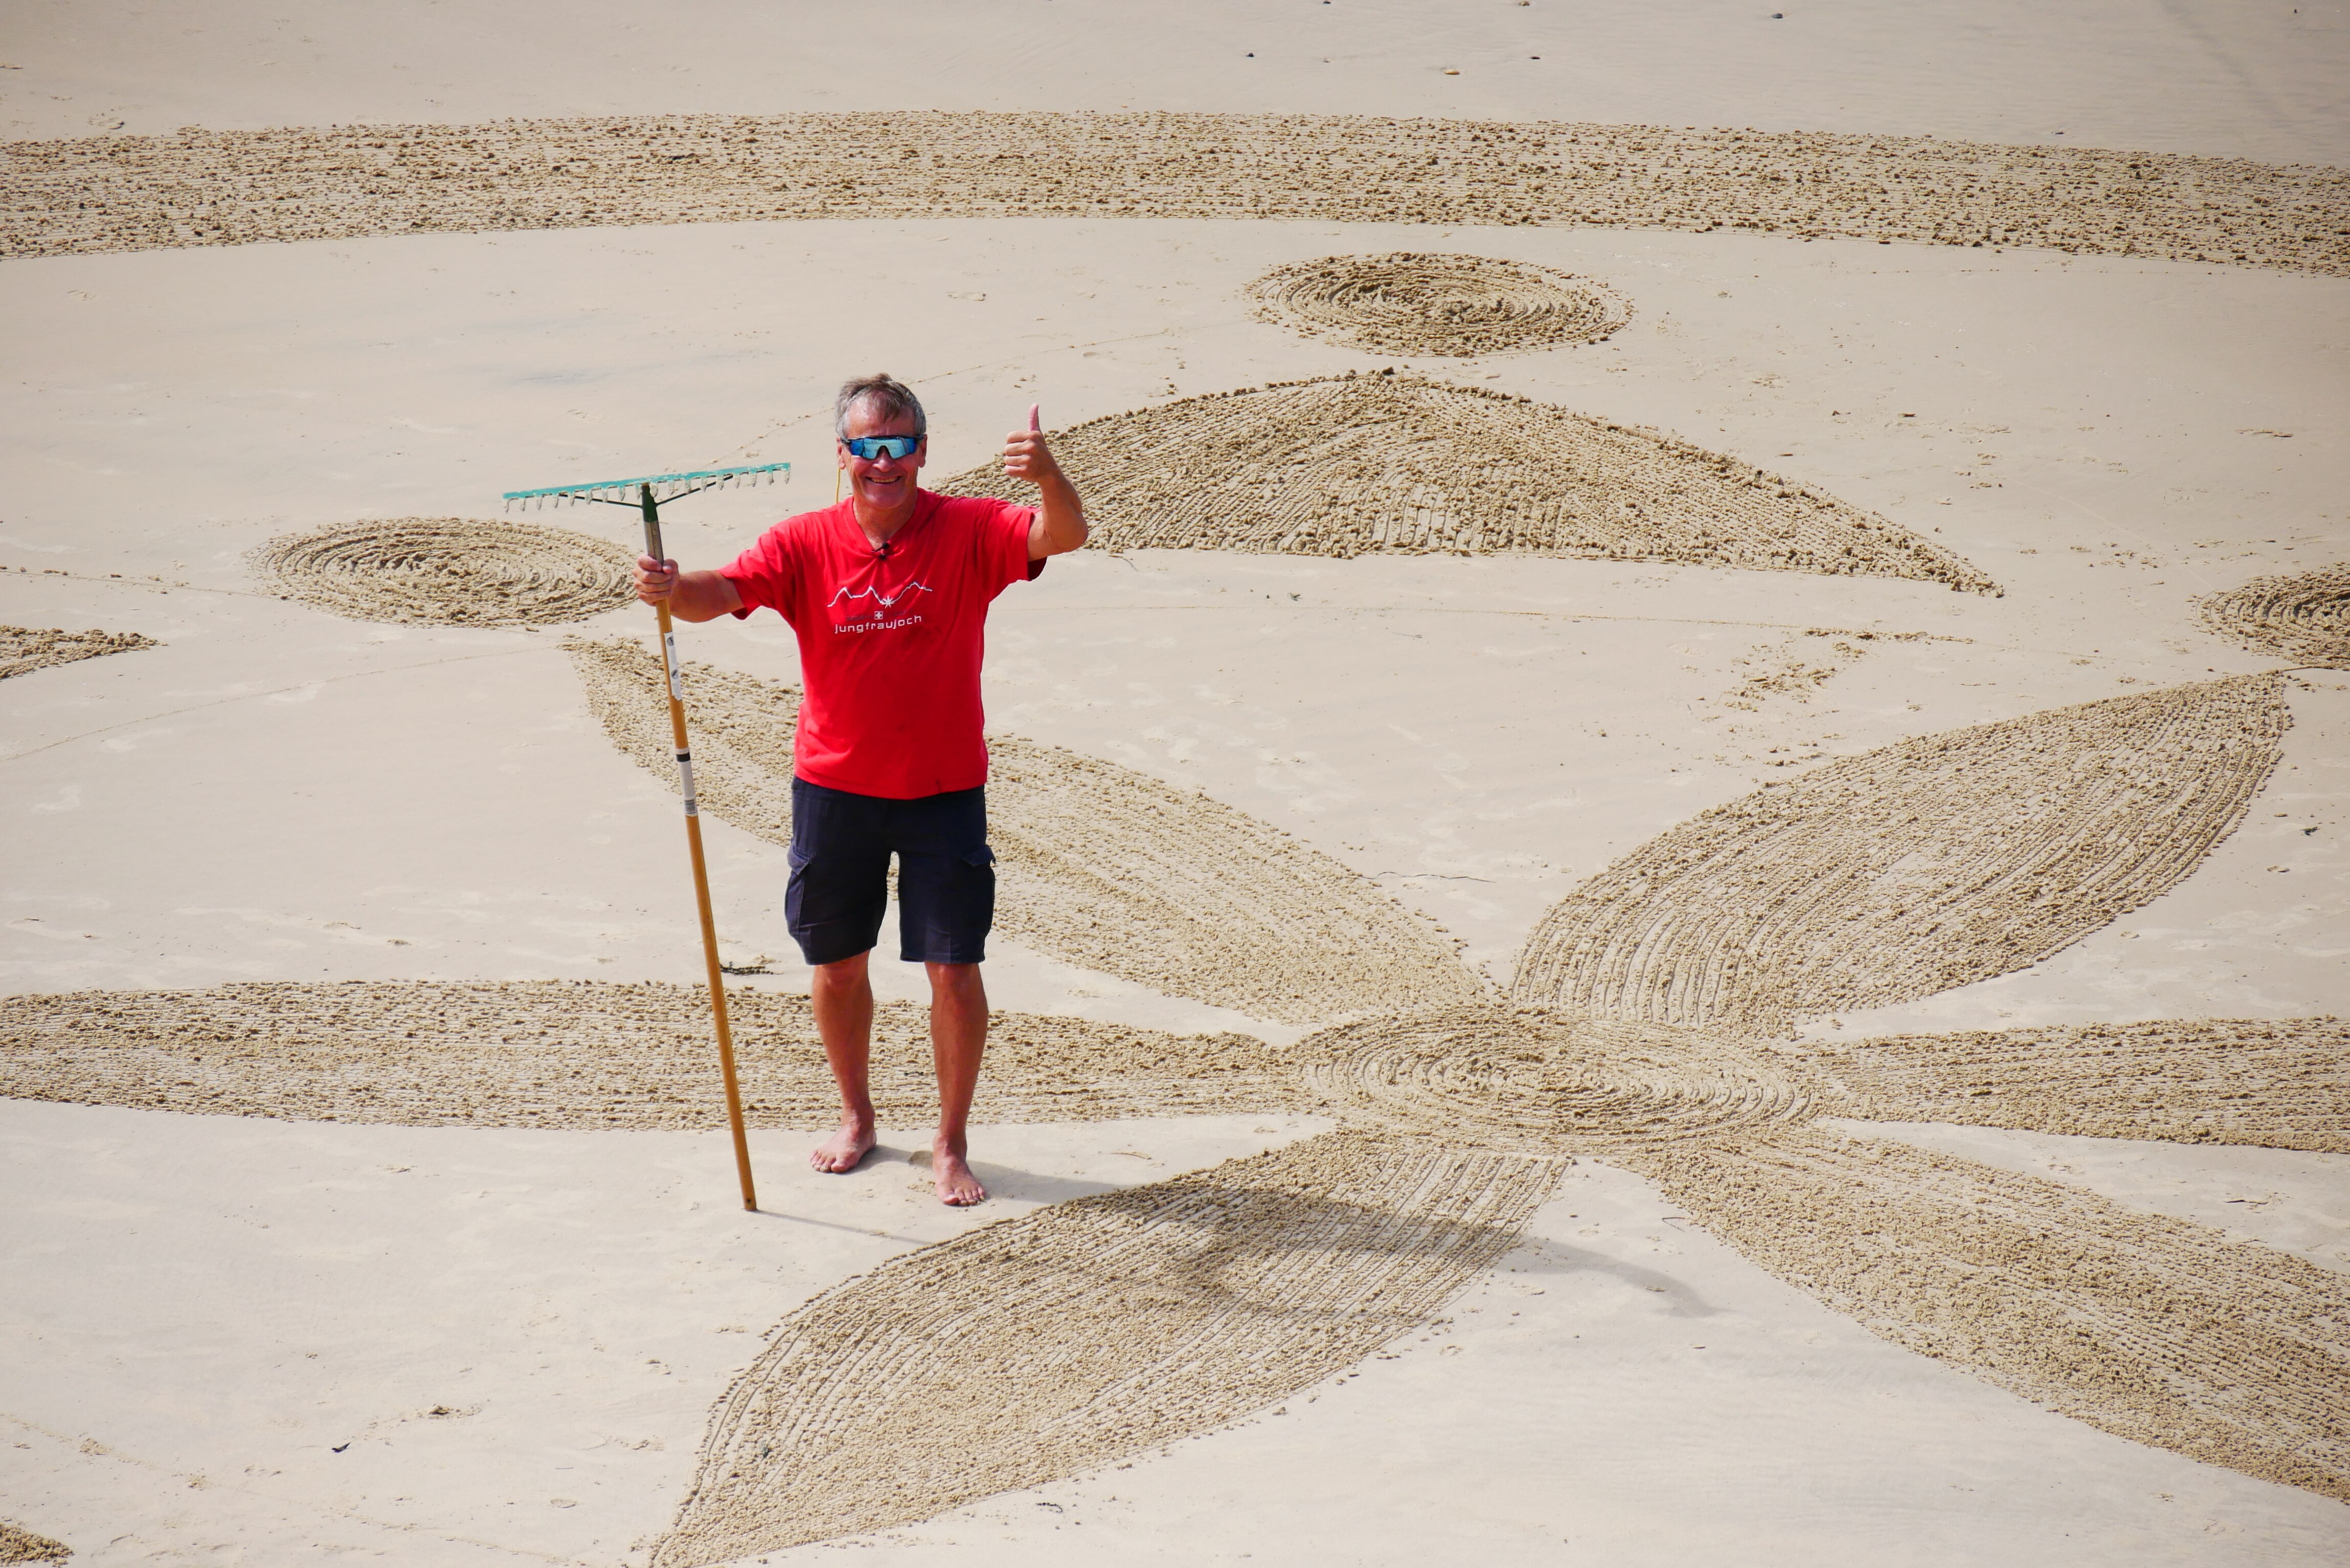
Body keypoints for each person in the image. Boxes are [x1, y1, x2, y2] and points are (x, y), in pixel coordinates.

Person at [634, 374, 1087, 1205]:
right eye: (869, 447)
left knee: (953, 970)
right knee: (838, 965)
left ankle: (950, 1143)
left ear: (922, 450)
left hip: (944, 789)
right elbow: (720, 594)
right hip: (834, 789)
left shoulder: (971, 527)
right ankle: (857, 1117)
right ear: (843, 455)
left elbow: (1061, 536)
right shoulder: (803, 541)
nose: (886, 462)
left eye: (902, 444)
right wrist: (672, 588)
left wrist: (1049, 478)